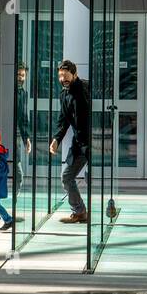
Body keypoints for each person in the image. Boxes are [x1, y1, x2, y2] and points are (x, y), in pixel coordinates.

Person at [49, 59, 91, 225]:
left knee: (90, 178)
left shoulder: (86, 89)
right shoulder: (64, 94)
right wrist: (56, 139)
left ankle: (97, 210)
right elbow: (64, 119)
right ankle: (79, 212)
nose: (63, 80)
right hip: (79, 142)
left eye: (66, 76)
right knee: (67, 176)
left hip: (93, 141)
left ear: (75, 74)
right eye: (60, 76)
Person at [13, 63, 32, 188]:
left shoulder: (23, 93)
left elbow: (23, 118)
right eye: (18, 75)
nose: (20, 78)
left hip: (14, 137)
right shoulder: (8, 91)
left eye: (23, 75)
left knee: (18, 175)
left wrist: (27, 139)